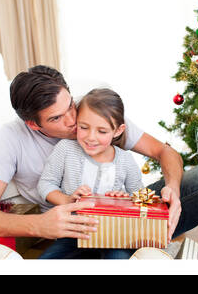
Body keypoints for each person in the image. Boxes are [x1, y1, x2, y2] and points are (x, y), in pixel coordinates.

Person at [0, 65, 198, 250]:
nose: (74, 122)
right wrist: (39, 225)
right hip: (79, 231)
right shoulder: (11, 140)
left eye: (70, 105)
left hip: (127, 210)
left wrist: (172, 188)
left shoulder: (93, 114)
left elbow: (164, 151)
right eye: (57, 118)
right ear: (34, 125)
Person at [37, 88, 146, 259]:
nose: (91, 137)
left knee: (118, 260)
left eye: (102, 131)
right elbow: (45, 184)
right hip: (73, 233)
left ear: (118, 130)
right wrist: (67, 200)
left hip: (114, 235)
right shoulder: (65, 149)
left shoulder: (125, 160)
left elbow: (141, 197)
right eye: (84, 127)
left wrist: (124, 200)